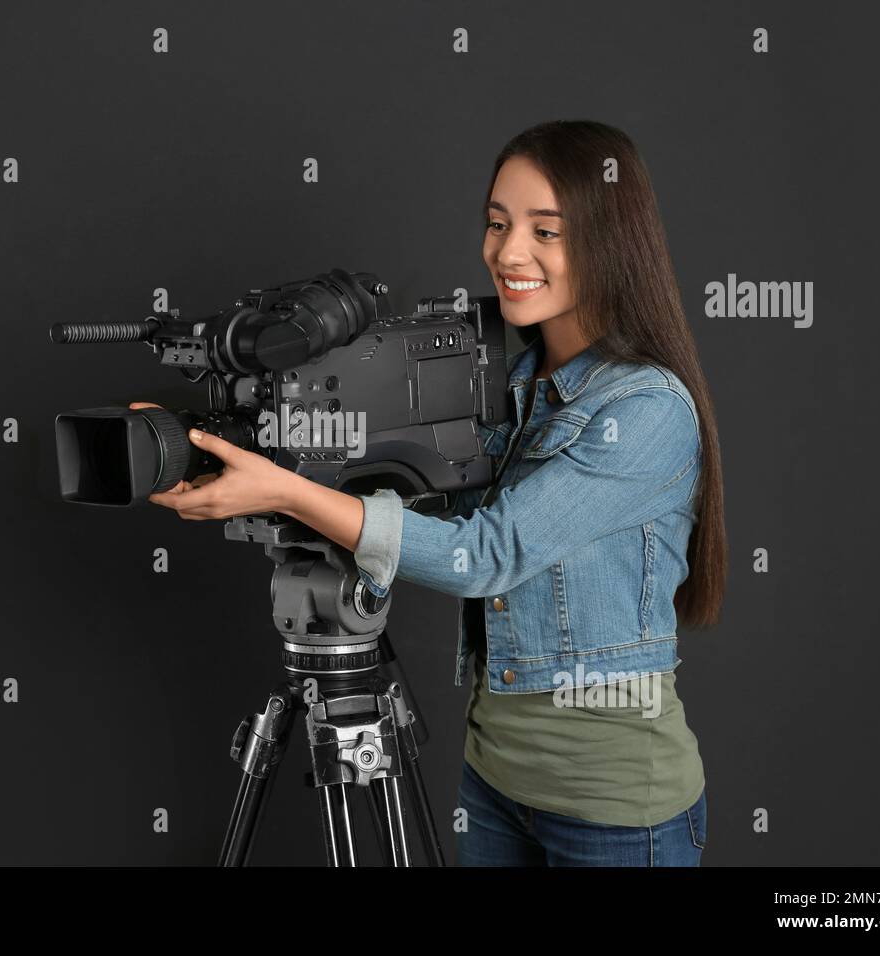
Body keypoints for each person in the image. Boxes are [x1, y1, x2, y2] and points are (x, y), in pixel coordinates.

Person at [136, 120, 727, 867]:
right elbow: (432, 496)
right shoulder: (507, 378)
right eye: (497, 223)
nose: (509, 254)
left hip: (614, 808)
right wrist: (220, 446)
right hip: (493, 784)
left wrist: (285, 491)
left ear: (613, 239)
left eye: (547, 231)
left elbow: (488, 554)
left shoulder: (648, 411)